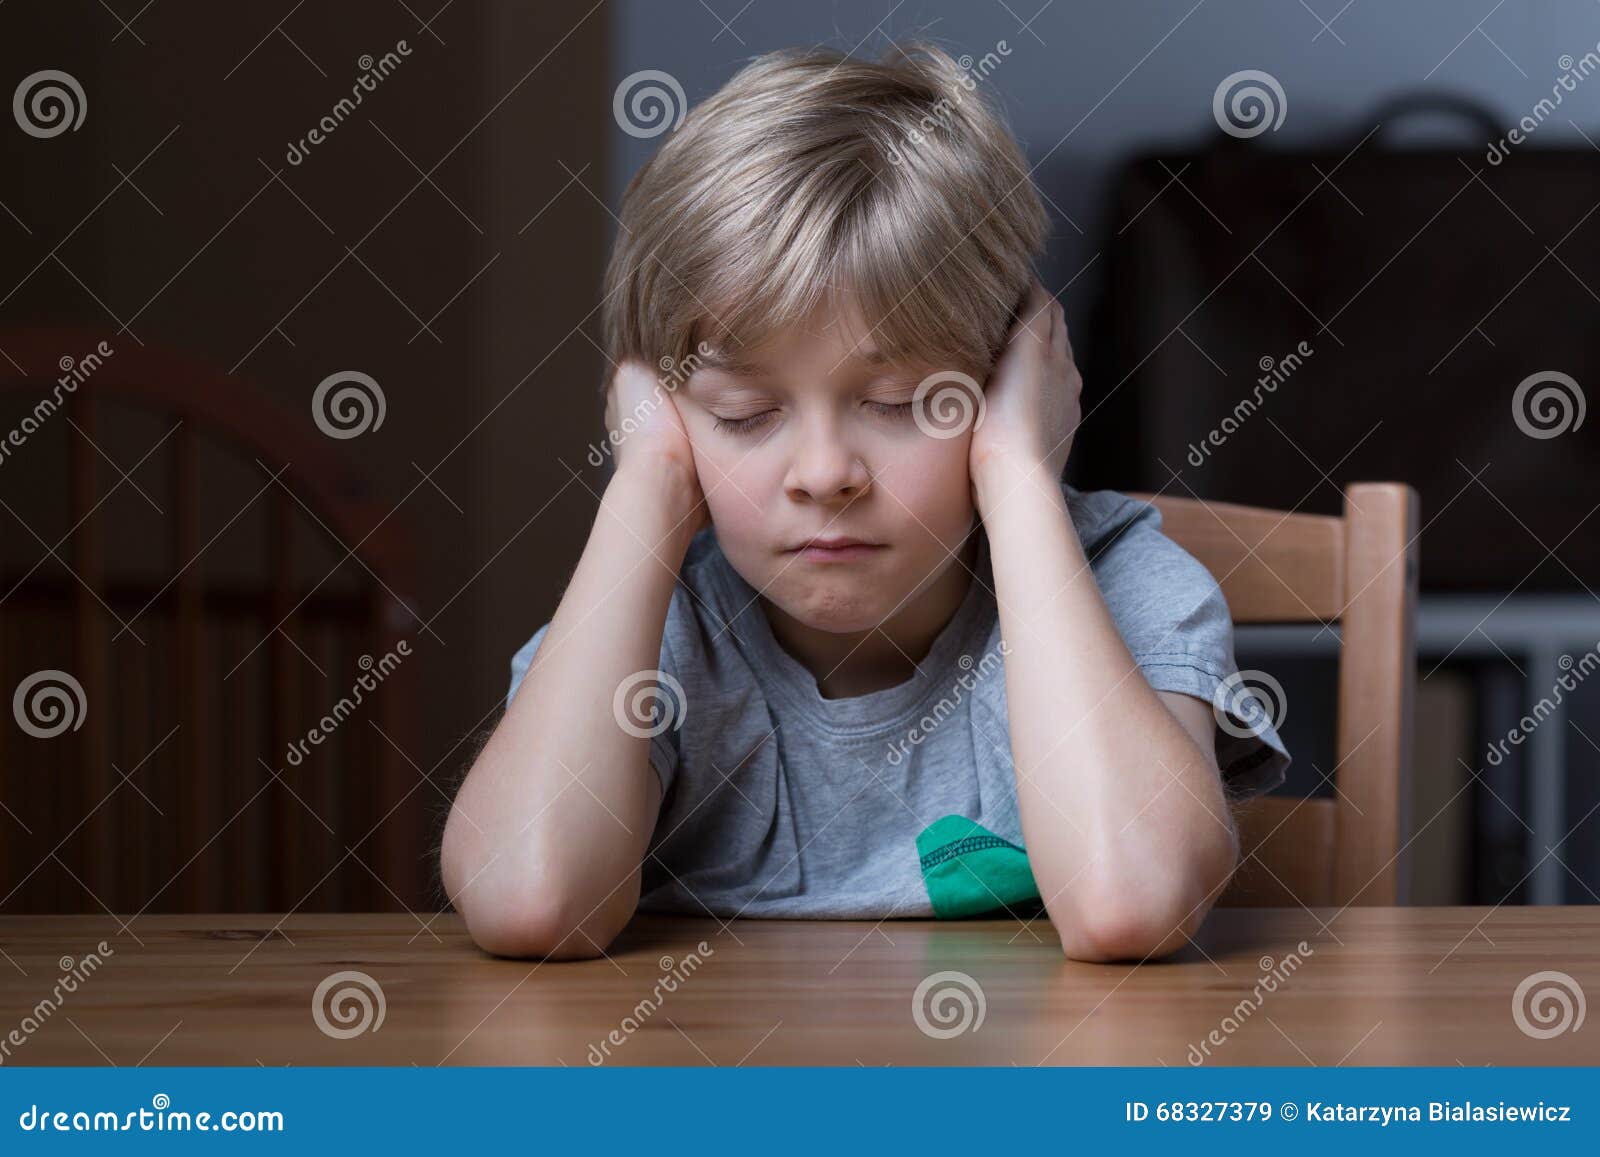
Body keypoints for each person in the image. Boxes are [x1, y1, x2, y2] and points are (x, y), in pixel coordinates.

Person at [439, 42, 1290, 964]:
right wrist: (645, 485)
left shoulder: (1129, 583)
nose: (824, 473)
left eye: (898, 402)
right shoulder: (656, 629)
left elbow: (1131, 900)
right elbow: (530, 901)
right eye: (744, 412)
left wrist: (1019, 475)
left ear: (1016, 381)